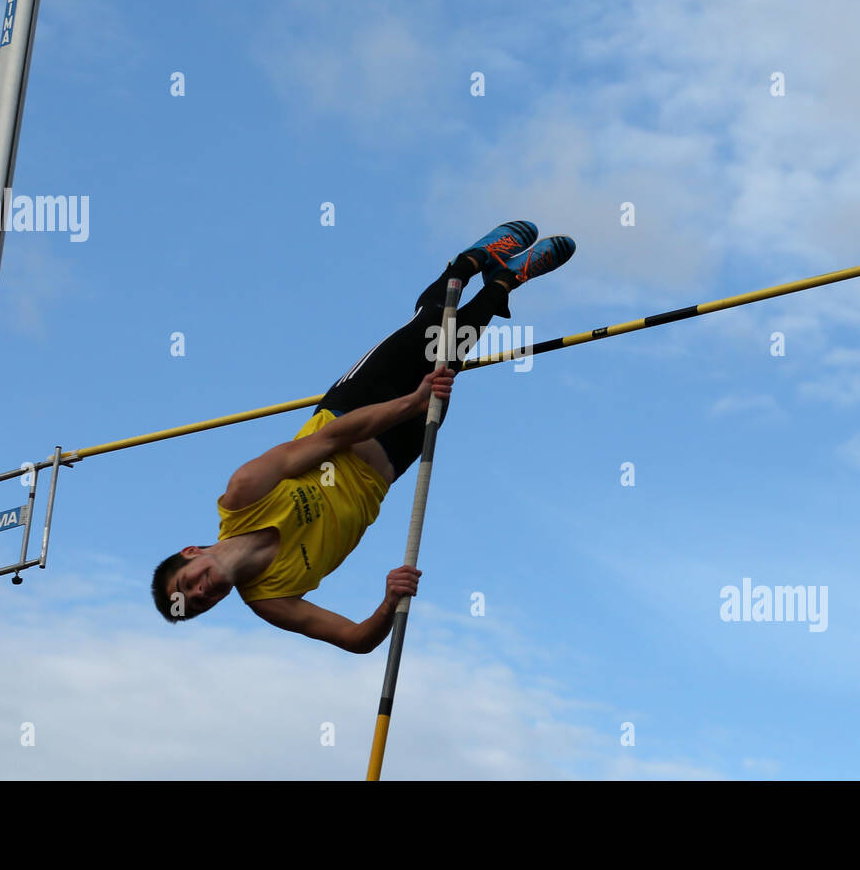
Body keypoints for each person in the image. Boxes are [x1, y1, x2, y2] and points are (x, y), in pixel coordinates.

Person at [150, 222, 575, 651]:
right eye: (198, 606)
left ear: (191, 552)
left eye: (187, 587)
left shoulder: (243, 495)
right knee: (453, 349)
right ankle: (504, 280)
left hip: (355, 406)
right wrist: (389, 602)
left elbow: (331, 439)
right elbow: (355, 639)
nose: (200, 594)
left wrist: (412, 402)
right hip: (394, 458)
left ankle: (467, 265)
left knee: (431, 325)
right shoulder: (271, 599)